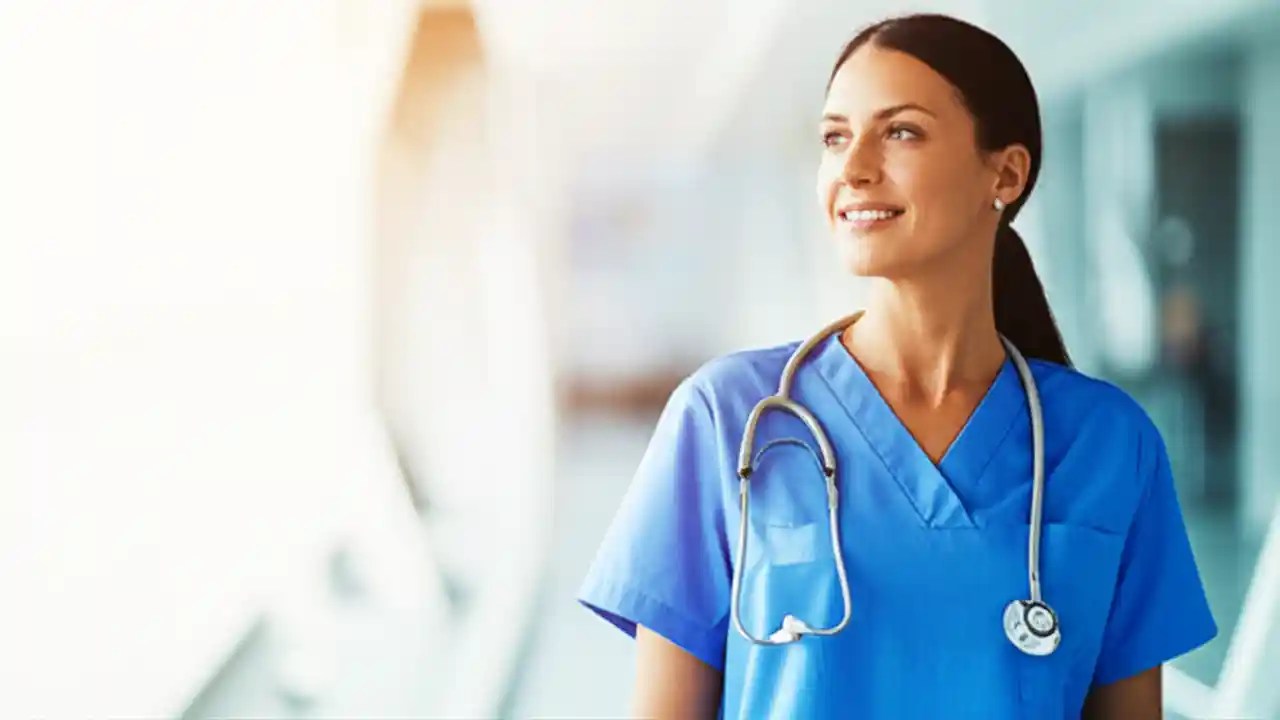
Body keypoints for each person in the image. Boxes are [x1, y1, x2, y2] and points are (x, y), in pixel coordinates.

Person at [576, 13, 1216, 719]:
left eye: (901, 132)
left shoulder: (1108, 443)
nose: (853, 168)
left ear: (1006, 173)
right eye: (834, 137)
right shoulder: (726, 419)